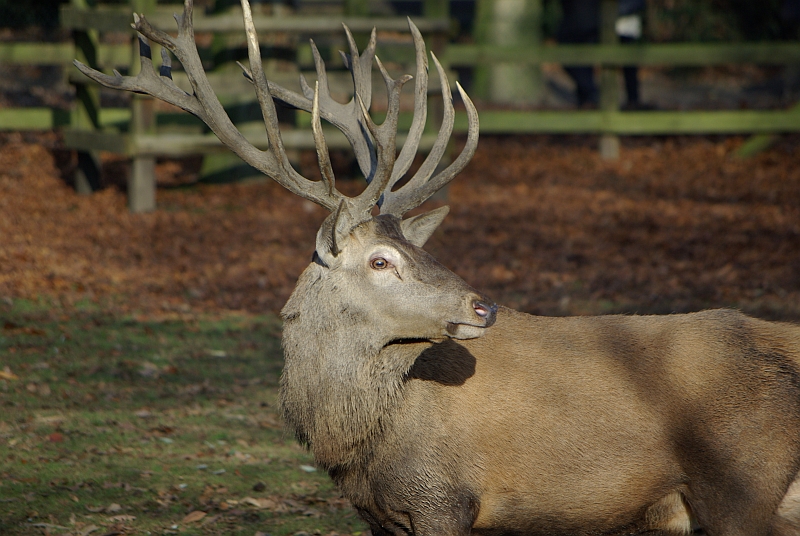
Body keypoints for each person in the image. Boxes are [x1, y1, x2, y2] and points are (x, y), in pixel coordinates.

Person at [557, 0, 646, 108]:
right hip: (594, 22)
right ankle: (591, 98)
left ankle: (630, 101)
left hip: (615, 22)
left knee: (626, 63)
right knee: (585, 58)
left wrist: (613, 11)